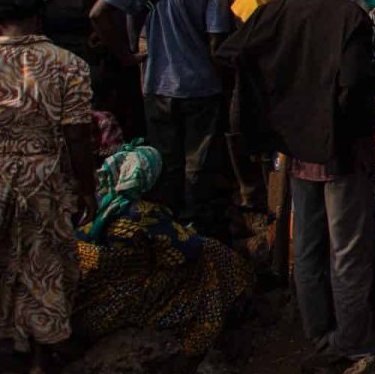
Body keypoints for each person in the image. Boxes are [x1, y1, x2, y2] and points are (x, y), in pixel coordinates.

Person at [218, 0, 375, 359]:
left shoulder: (280, 11)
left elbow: (232, 52)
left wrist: (276, 101)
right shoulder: (350, 18)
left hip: (296, 146)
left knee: (307, 243)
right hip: (341, 148)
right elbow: (353, 88)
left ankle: (315, 329)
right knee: (347, 247)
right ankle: (352, 339)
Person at [90, 0, 236, 238]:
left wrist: (125, 56)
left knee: (164, 162)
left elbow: (99, 14)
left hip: (155, 82)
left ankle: (165, 228)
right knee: (197, 166)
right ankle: (196, 231)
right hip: (202, 87)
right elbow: (216, 43)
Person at [0, 0, 96, 365]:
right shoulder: (69, 65)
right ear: (39, 14)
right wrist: (87, 188)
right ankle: (47, 343)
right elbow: (78, 137)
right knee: (43, 256)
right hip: (44, 177)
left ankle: (1, 342)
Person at [72, 143, 254, 356]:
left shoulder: (99, 209)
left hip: (86, 308)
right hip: (118, 308)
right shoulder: (143, 215)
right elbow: (186, 250)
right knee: (209, 255)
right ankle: (202, 332)